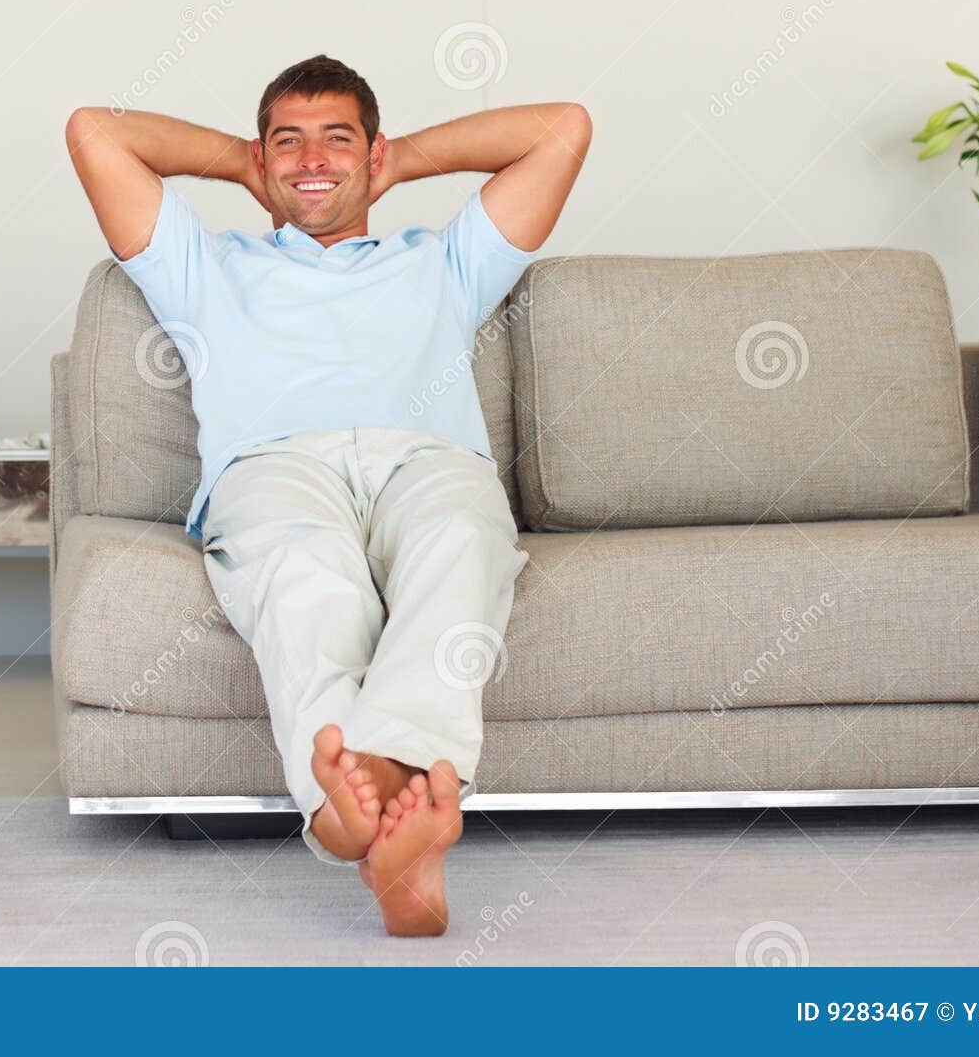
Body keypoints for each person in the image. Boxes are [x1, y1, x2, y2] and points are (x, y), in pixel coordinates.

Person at [65, 55, 590, 936]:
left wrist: (401, 157)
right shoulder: (205, 267)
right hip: (276, 468)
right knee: (312, 580)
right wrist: (243, 161)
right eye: (289, 143)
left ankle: (362, 801)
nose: (312, 159)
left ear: (372, 154)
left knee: (461, 546)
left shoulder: (444, 262)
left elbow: (562, 126)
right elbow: (95, 130)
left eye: (336, 141)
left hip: (427, 459)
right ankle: (390, 807)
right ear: (262, 161)